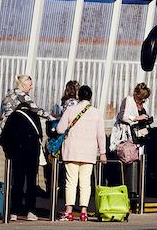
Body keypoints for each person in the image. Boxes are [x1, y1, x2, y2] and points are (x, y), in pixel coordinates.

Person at [0, 75, 50, 222]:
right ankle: (30, 211)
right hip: (27, 144)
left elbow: (2, 118)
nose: (31, 87)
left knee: (16, 179)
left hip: (11, 142)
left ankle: (13, 211)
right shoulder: (24, 99)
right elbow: (38, 111)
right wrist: (52, 118)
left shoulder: (7, 97)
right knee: (30, 180)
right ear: (23, 85)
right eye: (30, 85)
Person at [56, 85, 106, 222]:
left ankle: (69, 212)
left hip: (71, 151)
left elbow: (60, 129)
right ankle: (84, 212)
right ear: (91, 97)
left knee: (70, 182)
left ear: (78, 96)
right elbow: (101, 135)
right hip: (88, 153)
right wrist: (103, 153)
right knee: (85, 182)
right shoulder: (97, 112)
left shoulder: (71, 110)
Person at [109, 83, 151, 197]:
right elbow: (122, 116)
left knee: (138, 162)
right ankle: (128, 191)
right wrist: (138, 118)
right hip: (126, 138)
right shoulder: (128, 100)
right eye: (140, 99)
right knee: (129, 161)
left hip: (138, 139)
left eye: (144, 100)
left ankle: (136, 191)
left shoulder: (143, 106)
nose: (142, 102)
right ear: (136, 95)